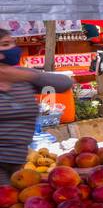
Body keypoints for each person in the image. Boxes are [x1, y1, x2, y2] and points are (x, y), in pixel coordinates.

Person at [0, 29, 74, 185]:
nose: (13, 48)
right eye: (5, 44)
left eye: (12, 43)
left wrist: (29, 75)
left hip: (19, 159)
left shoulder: (21, 75)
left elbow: (65, 83)